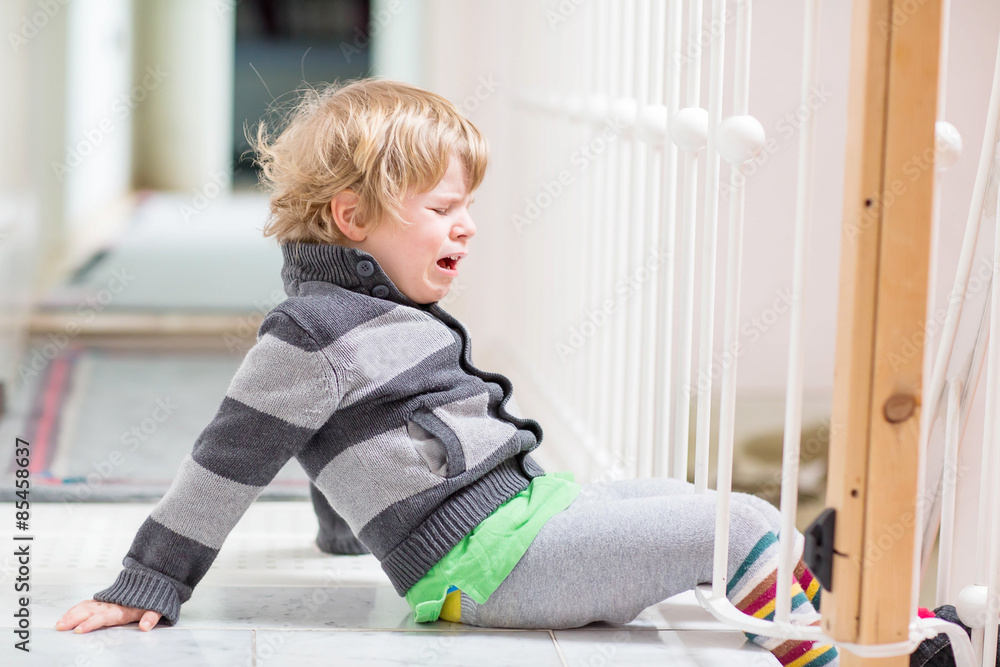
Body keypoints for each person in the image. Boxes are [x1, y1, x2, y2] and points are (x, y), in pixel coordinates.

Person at [56, 78, 839, 666]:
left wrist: (343, 531)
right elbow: (230, 458)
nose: (464, 223)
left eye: (466, 205)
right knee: (739, 524)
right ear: (352, 219)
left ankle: (827, 615)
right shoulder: (311, 332)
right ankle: (849, 650)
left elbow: (343, 435)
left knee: (681, 498)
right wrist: (147, 579)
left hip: (520, 521)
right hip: (490, 566)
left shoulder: (372, 313)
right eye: (439, 208)